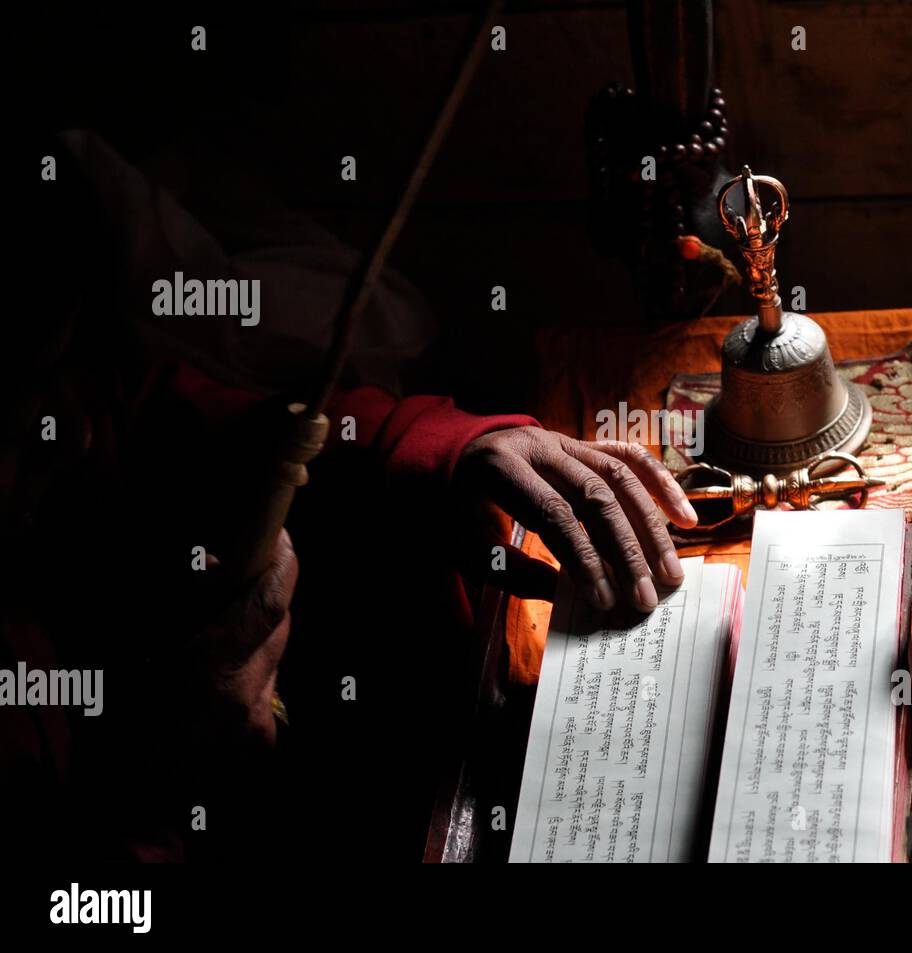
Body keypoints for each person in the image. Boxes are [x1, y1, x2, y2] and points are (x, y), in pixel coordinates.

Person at [1, 132, 696, 860]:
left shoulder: (75, 414)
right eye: (18, 430)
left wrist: (445, 448)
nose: (69, 431)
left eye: (68, 376)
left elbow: (211, 424)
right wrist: (176, 774)